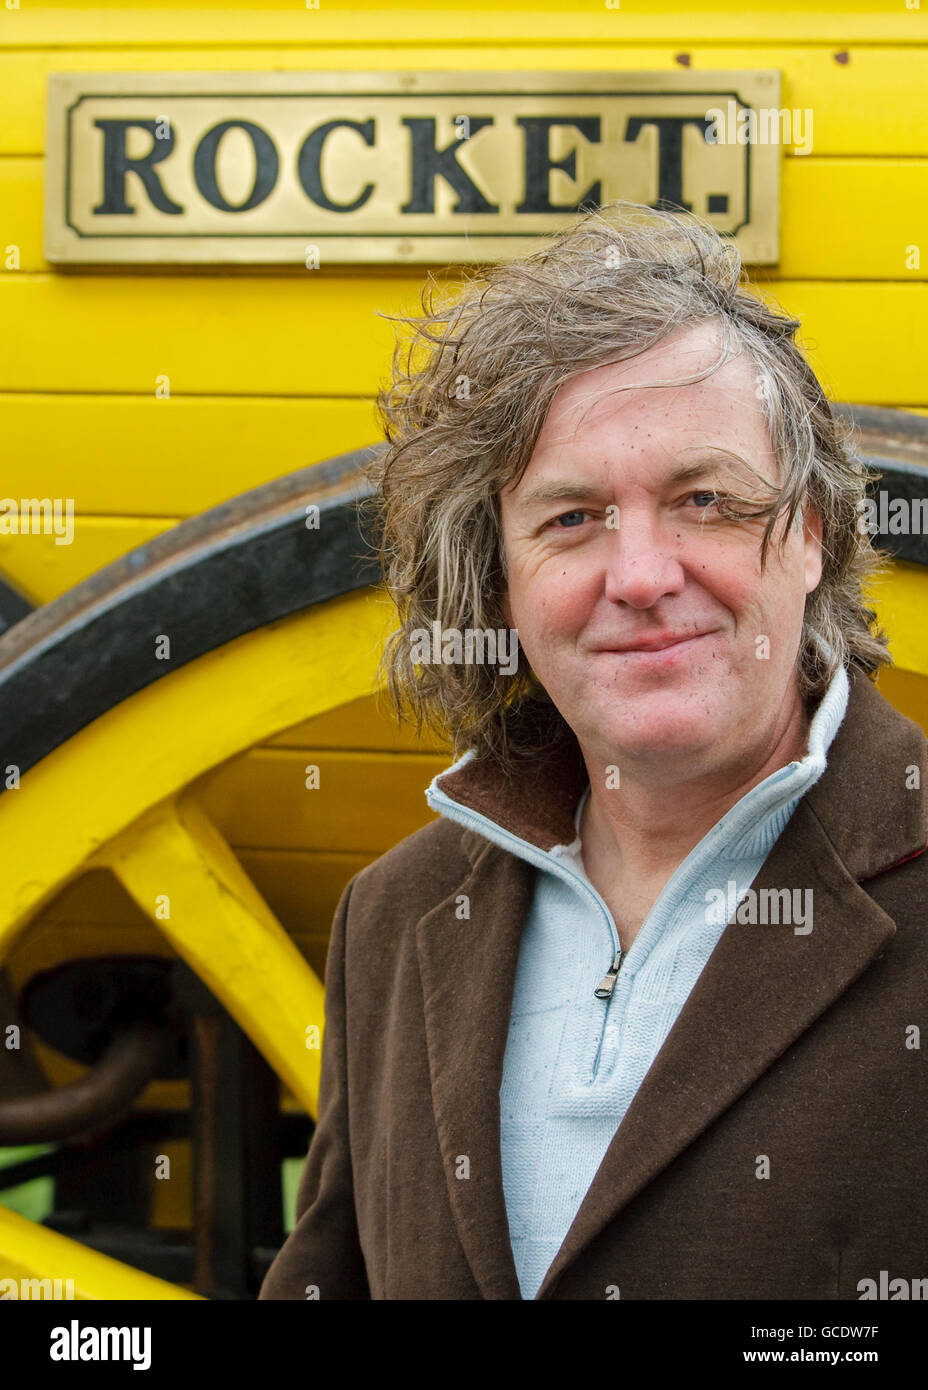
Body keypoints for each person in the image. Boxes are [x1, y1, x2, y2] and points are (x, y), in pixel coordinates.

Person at [259, 202, 928, 1301]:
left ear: (809, 534)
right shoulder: (393, 917)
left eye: (703, 500)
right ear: (501, 578)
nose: (640, 574)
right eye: (570, 518)